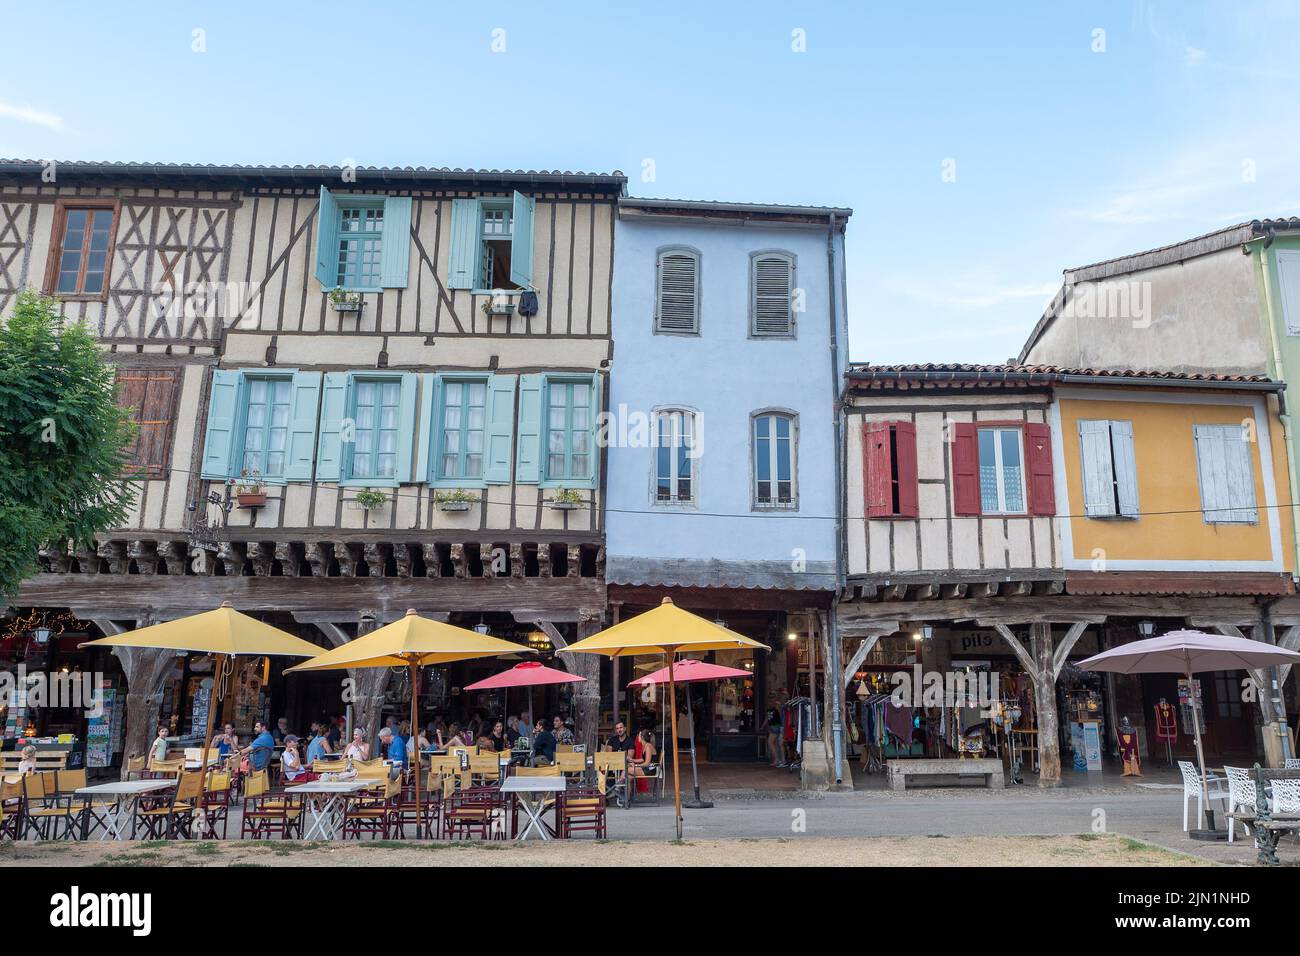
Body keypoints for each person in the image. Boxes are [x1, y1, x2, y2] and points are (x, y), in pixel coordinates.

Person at [632, 728, 657, 794]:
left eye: (639, 736)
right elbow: (643, 759)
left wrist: (635, 765)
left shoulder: (648, 746)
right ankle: (627, 798)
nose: (637, 737)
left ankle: (618, 790)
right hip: (647, 768)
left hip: (650, 770)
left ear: (642, 737)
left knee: (626, 770)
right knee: (628, 777)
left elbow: (646, 763)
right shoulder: (646, 745)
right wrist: (632, 760)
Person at [766, 695, 786, 768]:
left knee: (772, 743)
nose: (771, 700)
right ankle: (780, 760)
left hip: (777, 726)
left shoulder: (778, 705)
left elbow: (780, 715)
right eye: (770, 698)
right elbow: (768, 717)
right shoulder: (771, 707)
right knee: (777, 743)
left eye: (772, 698)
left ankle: (778, 760)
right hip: (773, 726)